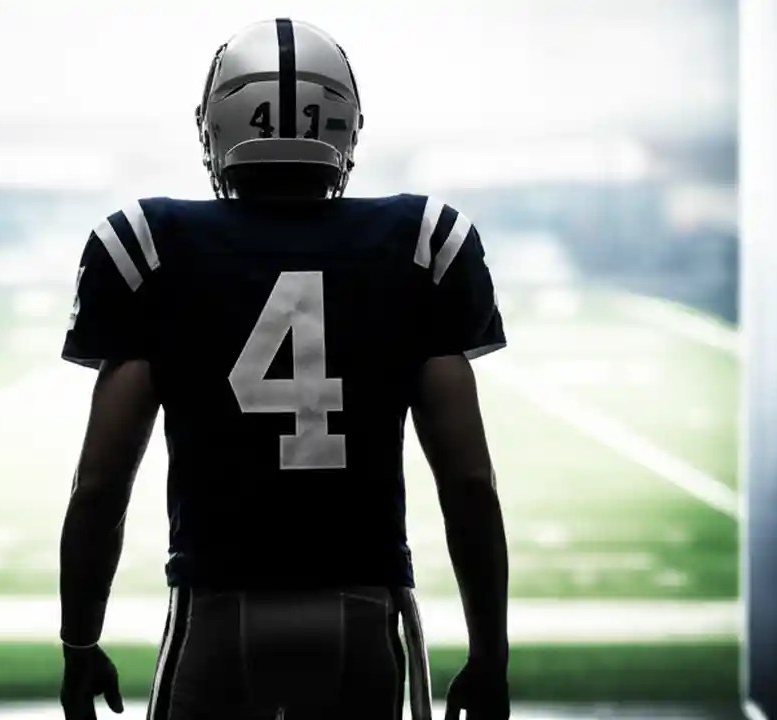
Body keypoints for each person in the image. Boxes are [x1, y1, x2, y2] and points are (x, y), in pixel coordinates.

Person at [58, 18, 510, 720]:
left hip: (215, 603)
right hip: (363, 605)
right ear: (345, 128)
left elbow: (100, 485)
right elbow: (470, 482)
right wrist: (490, 657)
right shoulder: (421, 243)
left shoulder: (151, 245)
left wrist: (79, 643)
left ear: (215, 125)